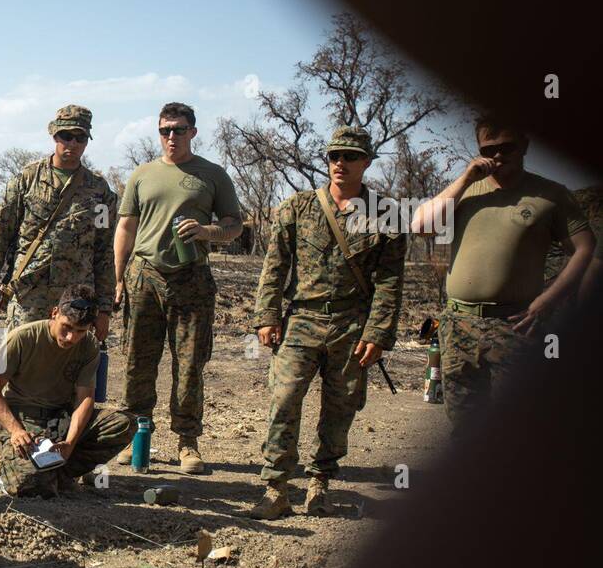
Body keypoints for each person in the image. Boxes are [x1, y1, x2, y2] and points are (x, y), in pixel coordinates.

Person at [248, 126, 406, 520]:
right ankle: (276, 488)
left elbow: (390, 282)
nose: (341, 163)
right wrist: (266, 316)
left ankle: (320, 483)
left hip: (353, 325)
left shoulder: (386, 215)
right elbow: (274, 267)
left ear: (366, 162)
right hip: (302, 318)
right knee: (283, 400)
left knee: (340, 407)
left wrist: (379, 333)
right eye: (335, 156)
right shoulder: (298, 207)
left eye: (350, 156)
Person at [410, 115, 595, 433]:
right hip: (458, 324)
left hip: (516, 323)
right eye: (489, 148)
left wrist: (549, 299)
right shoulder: (466, 190)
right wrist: (465, 180)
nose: (498, 155)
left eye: (507, 147)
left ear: (524, 145)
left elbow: (585, 248)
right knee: (463, 422)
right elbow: (420, 227)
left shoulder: (549, 194)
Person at [113, 102, 243, 474]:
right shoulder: (142, 174)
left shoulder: (213, 175)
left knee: (189, 364)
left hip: (192, 277)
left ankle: (188, 442)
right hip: (144, 275)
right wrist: (119, 278)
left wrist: (206, 232)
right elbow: (125, 228)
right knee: (138, 360)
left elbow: (235, 225)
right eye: (165, 130)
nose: (172, 136)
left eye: (180, 129)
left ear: (193, 132)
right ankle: (135, 438)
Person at [0, 284, 134, 498]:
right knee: (32, 489)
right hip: (25, 419)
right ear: (54, 313)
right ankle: (30, 470)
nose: (71, 337)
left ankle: (57, 472)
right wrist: (15, 430)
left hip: (62, 417)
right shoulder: (23, 337)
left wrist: (69, 444)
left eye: (81, 331)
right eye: (67, 327)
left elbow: (85, 398)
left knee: (123, 424)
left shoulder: (89, 345)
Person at [0, 105, 117, 340]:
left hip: (76, 300)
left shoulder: (100, 191)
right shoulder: (27, 180)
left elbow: (103, 252)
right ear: (54, 135)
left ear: (87, 141)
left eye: (79, 137)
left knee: (68, 368)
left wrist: (104, 309)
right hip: (29, 295)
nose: (72, 143)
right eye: (66, 136)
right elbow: (1, 237)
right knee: (20, 363)